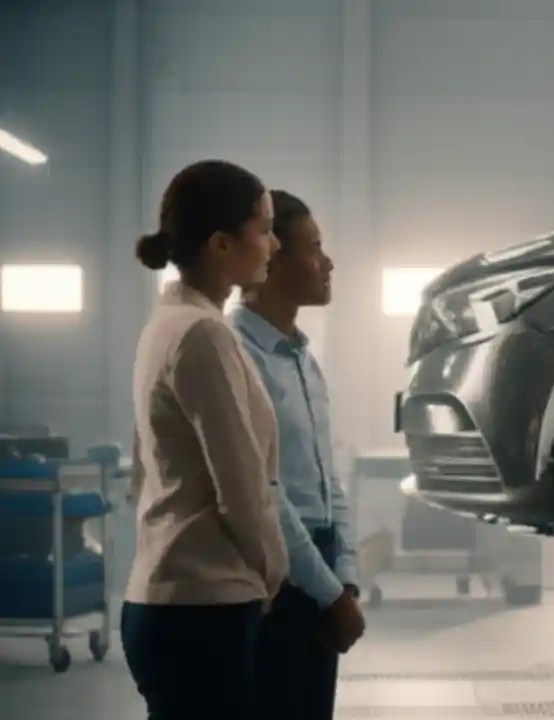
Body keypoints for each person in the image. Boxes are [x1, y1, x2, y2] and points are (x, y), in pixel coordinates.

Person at [126, 159, 287, 719]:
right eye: (264, 228)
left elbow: (140, 472)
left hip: (168, 595)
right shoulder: (202, 336)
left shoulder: (167, 324)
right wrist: (272, 571)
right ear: (221, 244)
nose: (274, 244)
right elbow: (241, 484)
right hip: (203, 604)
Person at [230, 189, 366, 720]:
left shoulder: (304, 359)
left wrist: (346, 576)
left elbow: (328, 478)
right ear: (273, 258)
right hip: (278, 574)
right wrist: (331, 594)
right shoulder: (239, 354)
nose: (327, 262)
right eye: (314, 248)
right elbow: (266, 493)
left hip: (322, 566)